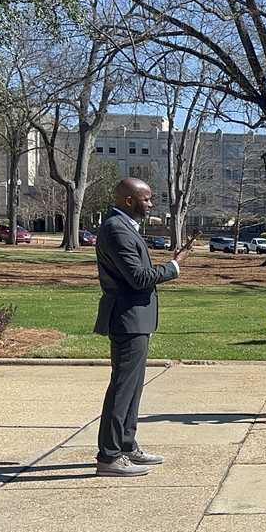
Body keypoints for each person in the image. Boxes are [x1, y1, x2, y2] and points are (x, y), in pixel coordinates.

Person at [93, 178, 190, 477]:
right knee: (123, 388)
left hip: (134, 318)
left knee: (133, 387)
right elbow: (137, 277)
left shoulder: (123, 227)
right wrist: (173, 267)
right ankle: (109, 456)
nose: (151, 204)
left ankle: (125, 444)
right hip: (126, 318)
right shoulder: (116, 229)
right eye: (146, 199)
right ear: (129, 201)